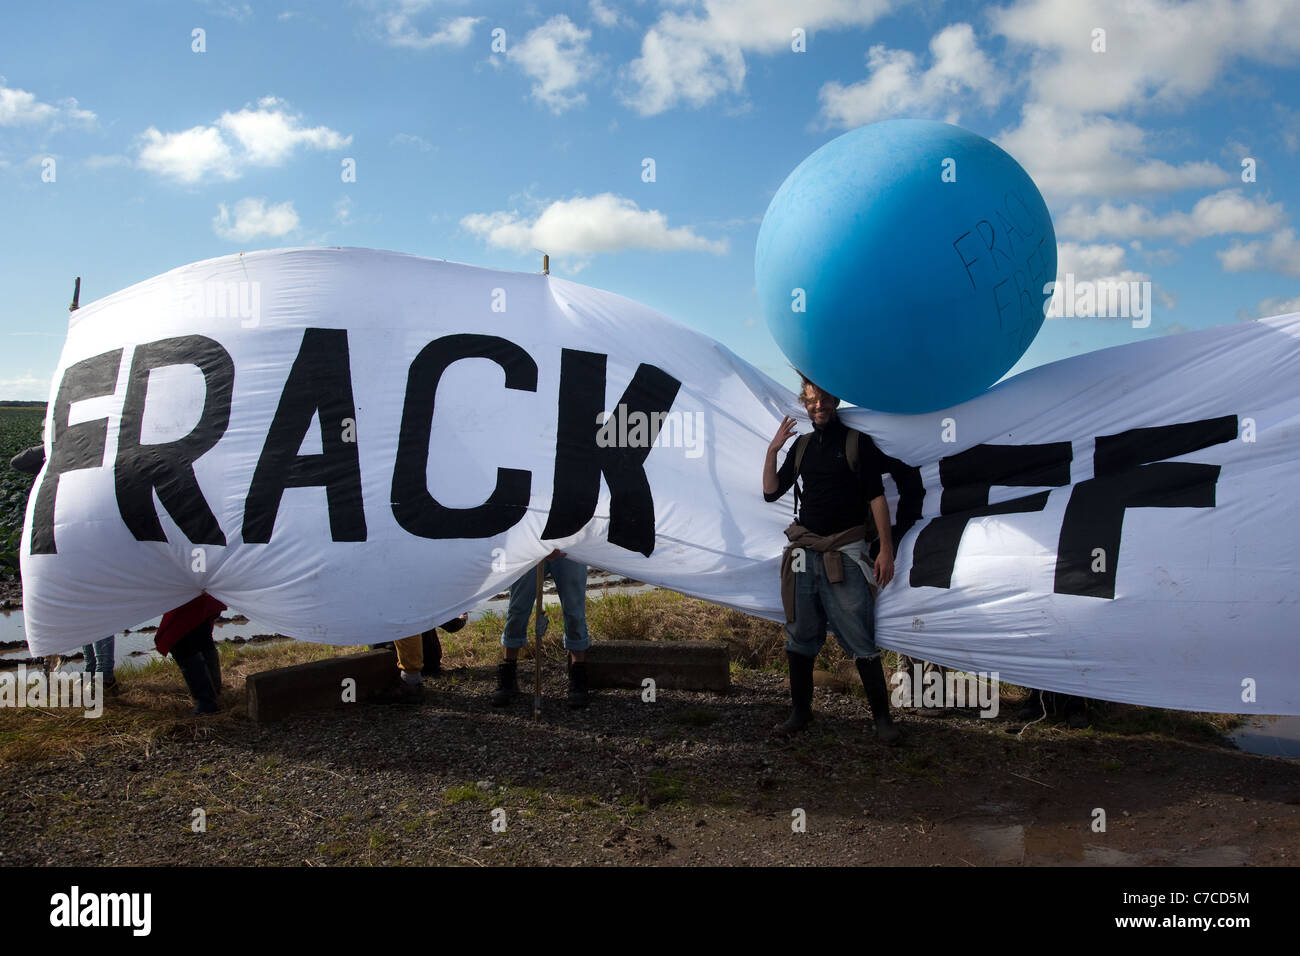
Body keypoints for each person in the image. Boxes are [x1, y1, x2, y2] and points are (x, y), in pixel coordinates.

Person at [763, 377, 901, 744]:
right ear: (804, 405)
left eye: (823, 399)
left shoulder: (857, 443)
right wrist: (773, 449)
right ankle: (801, 712)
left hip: (846, 551)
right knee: (800, 634)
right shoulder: (803, 446)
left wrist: (885, 549)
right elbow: (769, 492)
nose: (818, 406)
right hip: (803, 553)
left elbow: (877, 498)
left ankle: (882, 720)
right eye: (811, 400)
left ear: (835, 399)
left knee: (859, 635)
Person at [491, 550, 591, 709]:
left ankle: (578, 675)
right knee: (518, 610)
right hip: (530, 548)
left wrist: (561, 542)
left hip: (569, 546)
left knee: (574, 612)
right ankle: (507, 675)